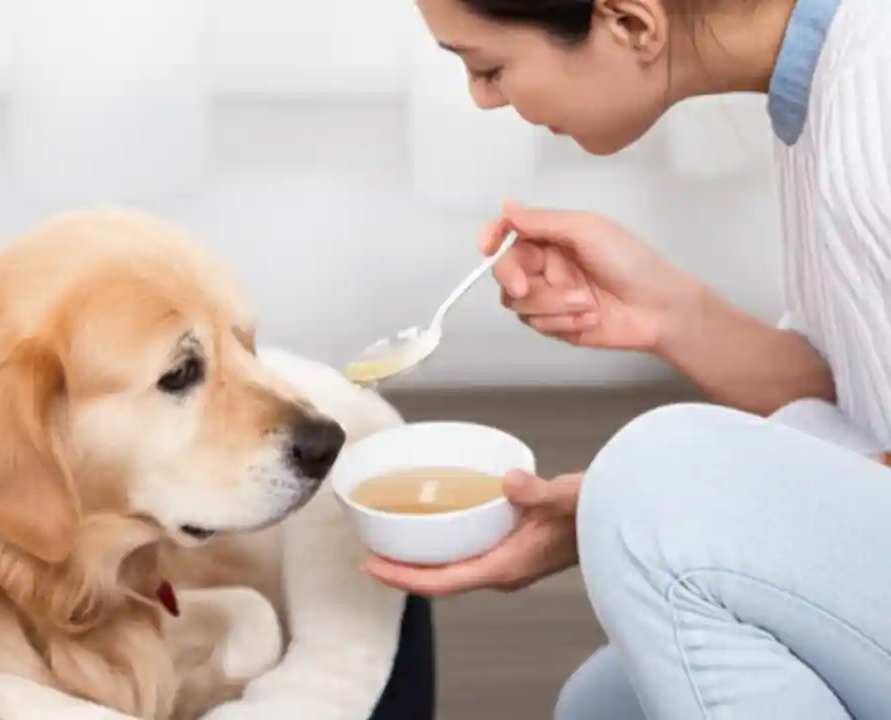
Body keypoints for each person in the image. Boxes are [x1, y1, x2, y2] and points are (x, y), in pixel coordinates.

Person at [362, 0, 891, 717]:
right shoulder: (826, 86)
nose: (482, 99)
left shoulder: (877, 89)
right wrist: (662, 314)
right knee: (604, 706)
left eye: (489, 67)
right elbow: (861, 403)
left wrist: (628, 502)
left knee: (657, 478)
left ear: (632, 24)